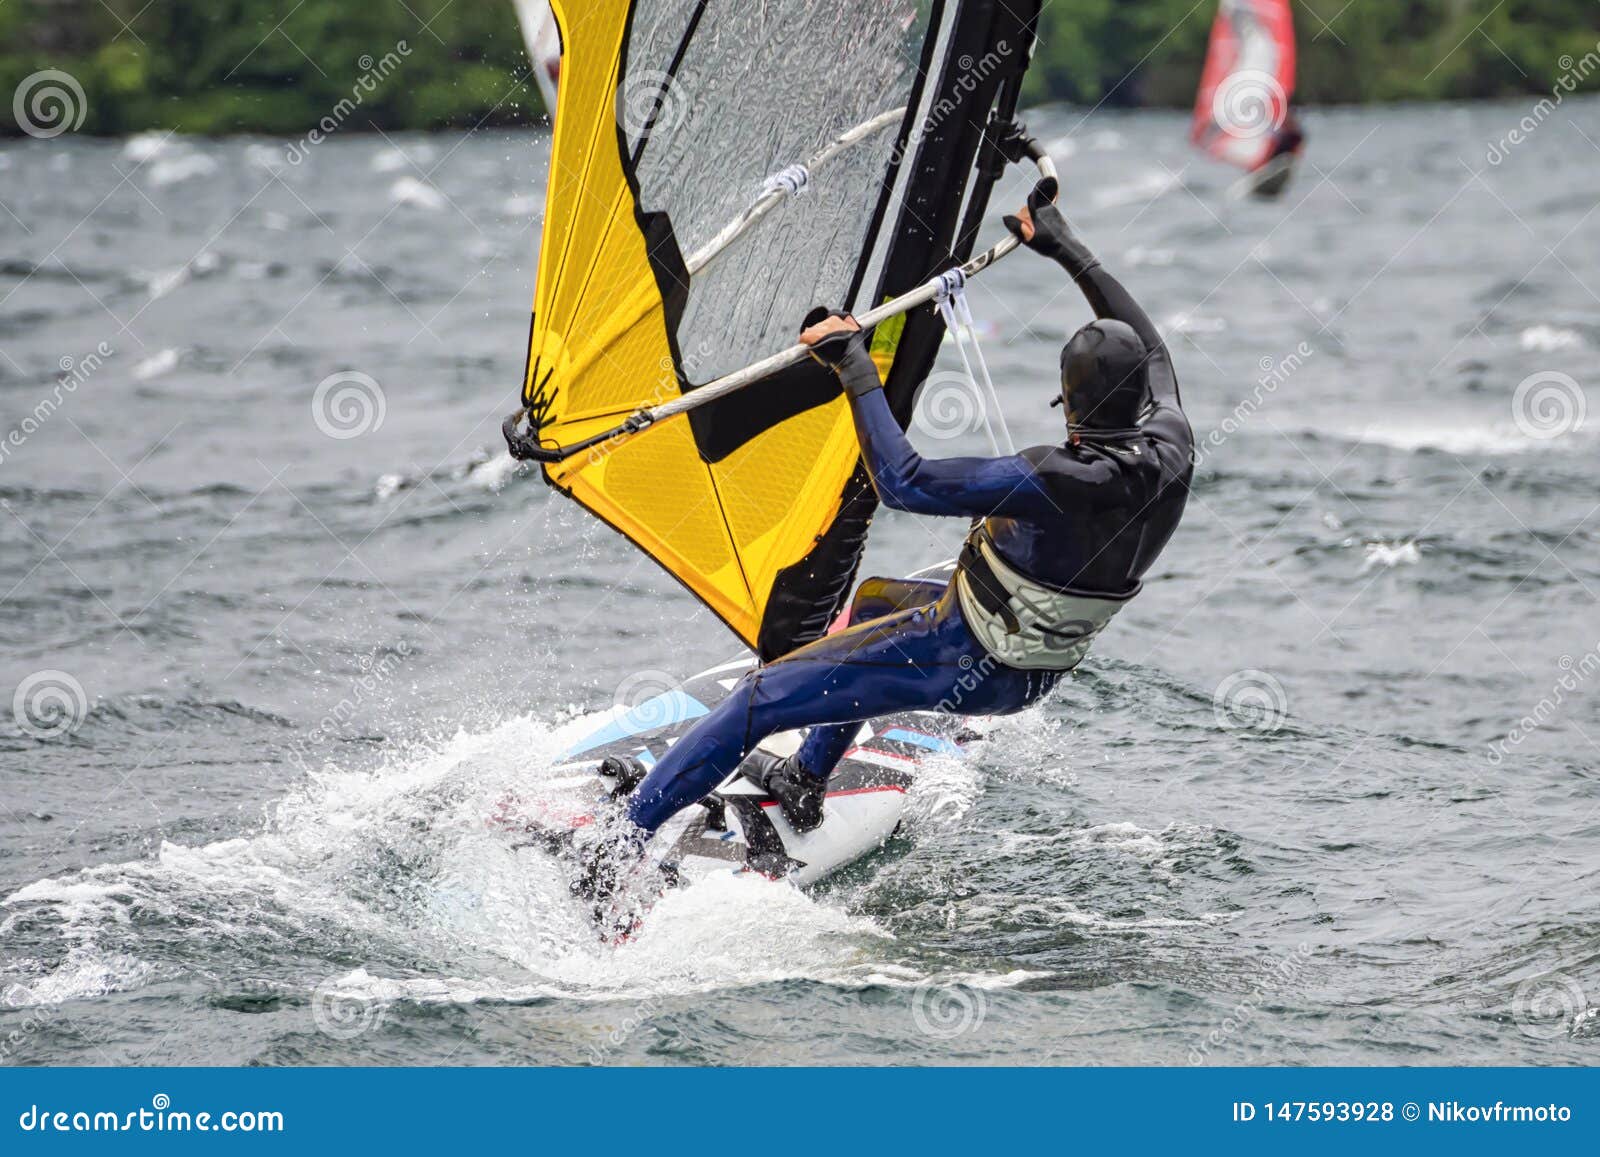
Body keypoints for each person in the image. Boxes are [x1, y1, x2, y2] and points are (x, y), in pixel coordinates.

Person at [585, 174, 1195, 898]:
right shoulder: (1172, 442)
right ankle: (807, 779)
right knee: (875, 604)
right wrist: (1064, 247)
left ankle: (616, 847)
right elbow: (1152, 347)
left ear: (1070, 406)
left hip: (967, 656)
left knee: (758, 701)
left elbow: (904, 481)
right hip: (1037, 668)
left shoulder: (1059, 477)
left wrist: (854, 369)